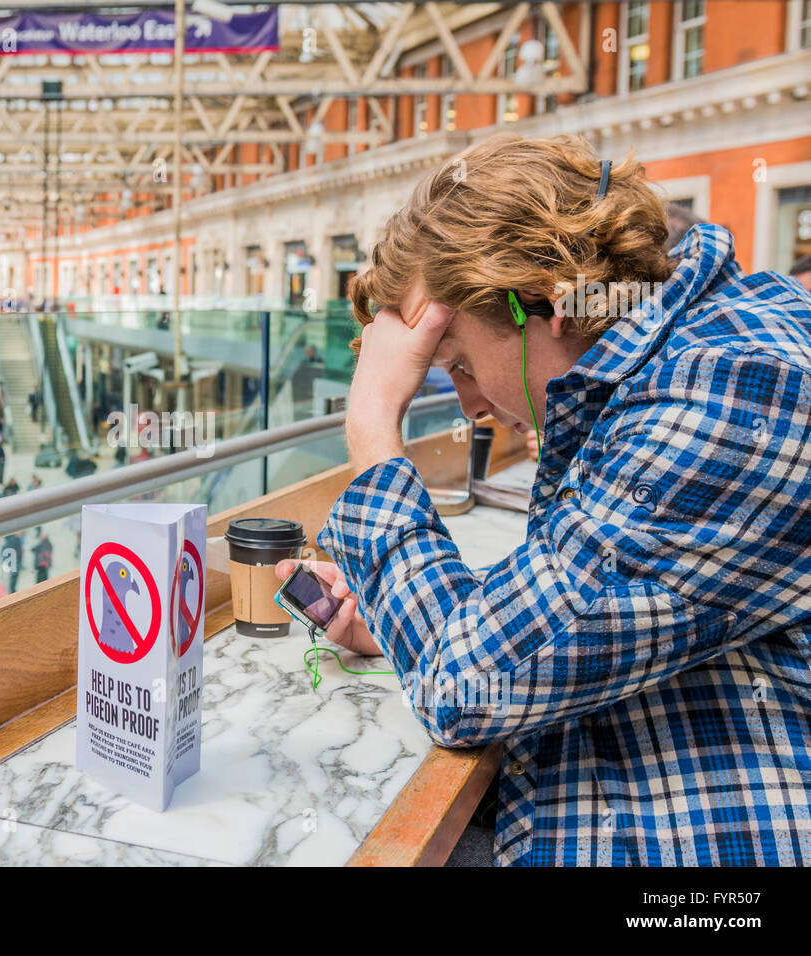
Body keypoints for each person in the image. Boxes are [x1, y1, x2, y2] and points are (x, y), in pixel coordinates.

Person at [285, 133, 811, 867]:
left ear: (545, 298)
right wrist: (404, 624)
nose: (468, 405)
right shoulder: (685, 350)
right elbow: (576, 605)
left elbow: (466, 686)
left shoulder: (736, 390)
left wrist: (373, 426)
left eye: (459, 364)